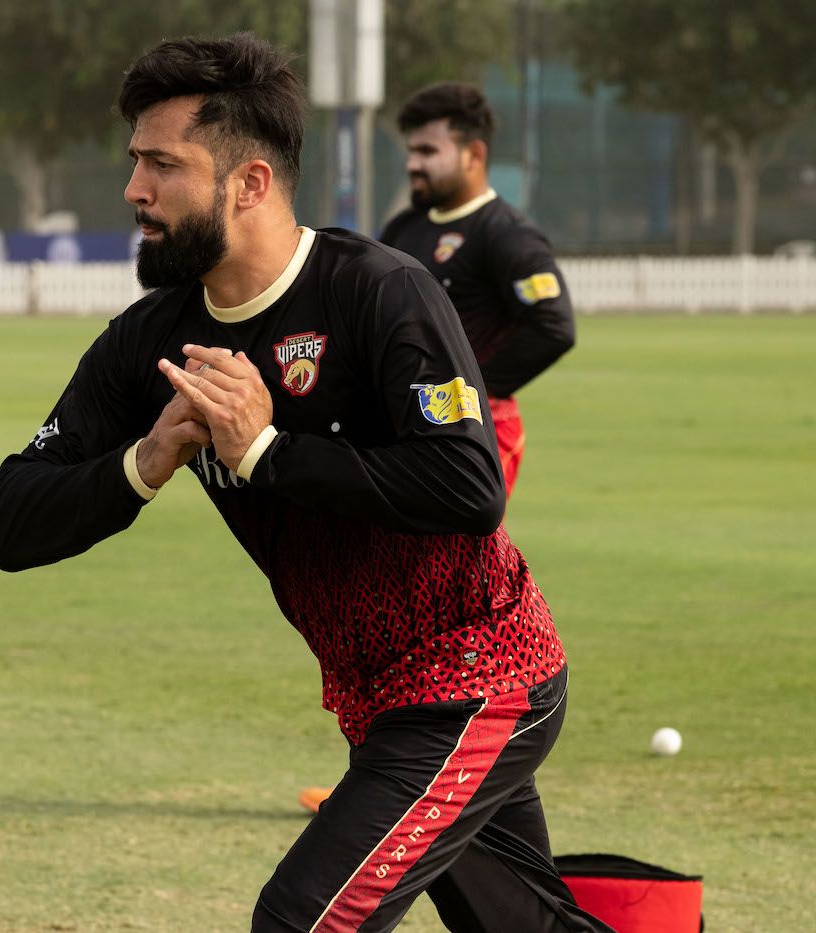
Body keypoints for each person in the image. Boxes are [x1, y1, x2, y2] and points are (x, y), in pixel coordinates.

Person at [0, 33, 608, 933]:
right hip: (379, 699)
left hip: (480, 676)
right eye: (135, 163)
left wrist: (265, 450)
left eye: (164, 165)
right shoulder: (150, 337)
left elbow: (469, 487)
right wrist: (147, 461)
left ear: (250, 184)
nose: (135, 191)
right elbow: (13, 521)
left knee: (301, 920)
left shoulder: (380, 290)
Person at [298, 81, 576, 816]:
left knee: (443, 602)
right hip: (401, 437)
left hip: (470, 441)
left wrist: (473, 401)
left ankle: (437, 772)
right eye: (410, 150)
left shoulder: (505, 235)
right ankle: (390, 773)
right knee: (385, 600)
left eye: (428, 150)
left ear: (474, 154)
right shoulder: (406, 227)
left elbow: (555, 325)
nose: (415, 164)